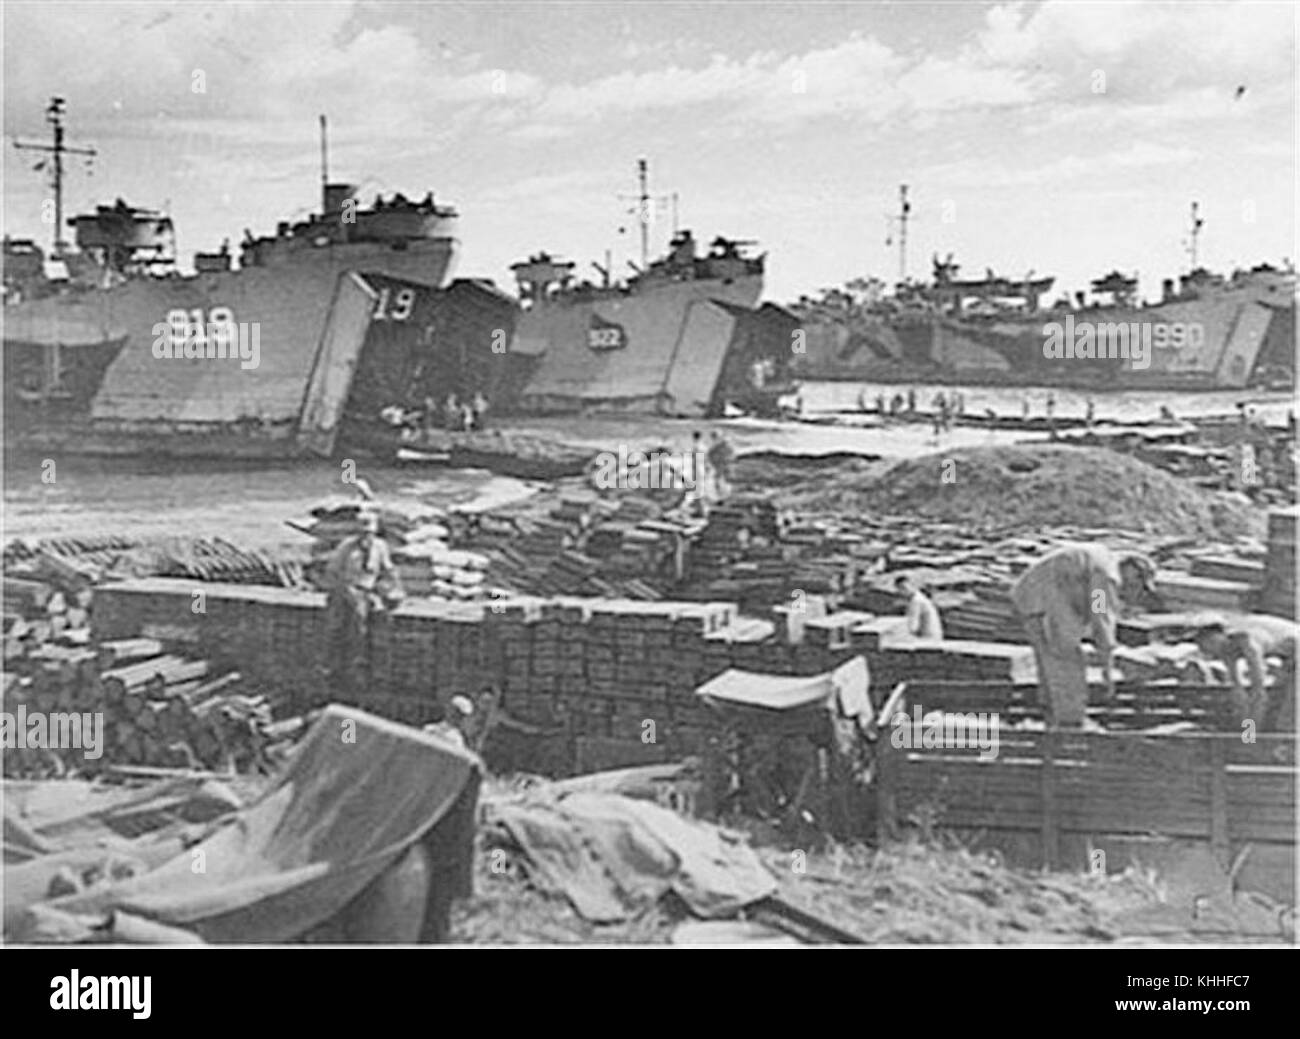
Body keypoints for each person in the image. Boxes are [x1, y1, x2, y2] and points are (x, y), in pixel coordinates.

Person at [1010, 545, 1157, 728]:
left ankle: (1052, 719)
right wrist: (1107, 664)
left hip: (1032, 598)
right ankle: (1071, 723)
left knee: (1051, 661)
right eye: (1136, 584)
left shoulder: (1100, 560)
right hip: (1048, 597)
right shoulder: (1106, 572)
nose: (1130, 590)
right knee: (1068, 658)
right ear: (1132, 571)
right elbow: (1101, 615)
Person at [323, 512, 402, 695]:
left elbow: (388, 569)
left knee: (381, 620)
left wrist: (395, 588)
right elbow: (333, 572)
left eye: (370, 533)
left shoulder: (380, 547)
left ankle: (372, 667)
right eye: (363, 532)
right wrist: (346, 589)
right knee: (345, 625)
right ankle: (340, 667)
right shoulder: (346, 548)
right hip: (346, 590)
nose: (367, 536)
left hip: (368, 590)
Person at [1194, 616, 1297, 729]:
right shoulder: (1227, 650)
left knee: (1287, 700)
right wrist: (1241, 700)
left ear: (1215, 638)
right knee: (1273, 697)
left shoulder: (1245, 641)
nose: (1204, 650)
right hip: (1289, 657)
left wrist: (1251, 720)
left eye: (1203, 644)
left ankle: (1272, 736)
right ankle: (1254, 737)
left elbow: (1258, 682)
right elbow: (1236, 685)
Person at [897, 575, 944, 640]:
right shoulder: (920, 597)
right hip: (934, 636)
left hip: (928, 638)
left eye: (904, 588)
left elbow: (912, 627)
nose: (902, 592)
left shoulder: (916, 601)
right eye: (900, 589)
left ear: (912, 586)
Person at [707, 430, 735, 500]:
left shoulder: (719, 445)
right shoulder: (719, 445)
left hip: (722, 464)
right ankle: (723, 492)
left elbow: (710, 454)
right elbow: (710, 454)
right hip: (721, 464)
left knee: (720, 478)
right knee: (721, 478)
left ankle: (722, 492)